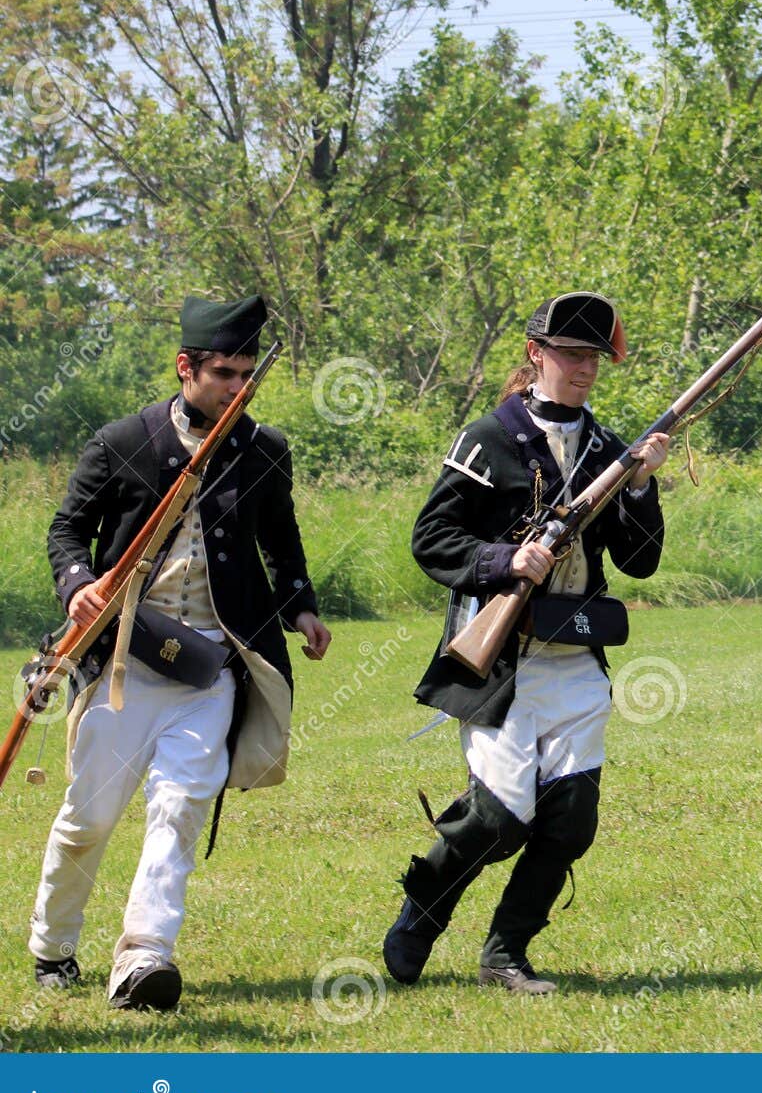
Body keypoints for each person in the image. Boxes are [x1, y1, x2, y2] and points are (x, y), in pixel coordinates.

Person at [30, 294, 331, 1010]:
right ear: (185, 366)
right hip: (126, 668)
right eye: (224, 371)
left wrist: (301, 604)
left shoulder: (264, 450)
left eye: (246, 373)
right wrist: (78, 586)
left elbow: (279, 537)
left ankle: (144, 956)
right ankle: (53, 944)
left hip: (211, 670)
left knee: (178, 809)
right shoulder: (123, 441)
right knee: (88, 821)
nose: (236, 385)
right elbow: (67, 531)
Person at [383, 291, 670, 996]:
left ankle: (506, 952)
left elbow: (640, 561)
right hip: (502, 660)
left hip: (575, 653)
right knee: (501, 813)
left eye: (592, 357)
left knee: (572, 820)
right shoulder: (490, 437)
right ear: (536, 355)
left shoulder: (607, 446)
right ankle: (423, 908)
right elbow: (432, 540)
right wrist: (503, 561)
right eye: (570, 355)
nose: (583, 369)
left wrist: (639, 486)